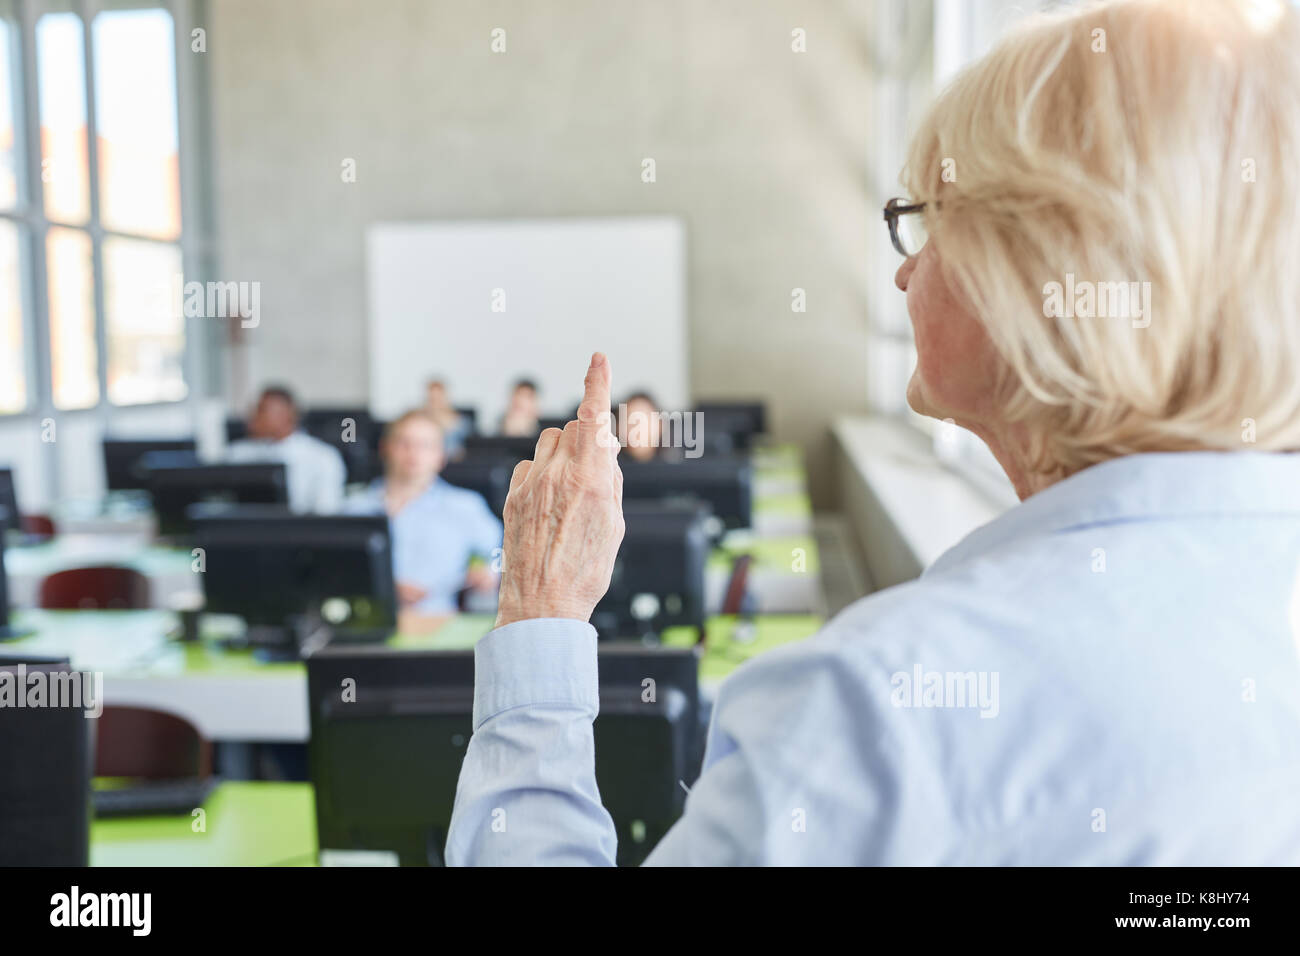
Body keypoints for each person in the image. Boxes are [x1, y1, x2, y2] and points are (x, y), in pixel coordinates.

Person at [446, 0, 1300, 865]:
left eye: (926, 220)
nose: (903, 268)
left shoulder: (874, 710)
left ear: (1030, 262)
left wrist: (541, 614)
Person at [348, 410, 501, 621]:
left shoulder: (465, 506)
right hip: (366, 622)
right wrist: (385, 587)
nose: (413, 453)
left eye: (425, 445)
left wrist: (487, 573)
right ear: (385, 448)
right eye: (404, 443)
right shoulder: (352, 508)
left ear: (441, 456)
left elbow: (503, 556)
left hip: (439, 624)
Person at [226, 385, 345, 513]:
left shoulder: (322, 457)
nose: (252, 417)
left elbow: (326, 513)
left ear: (287, 414)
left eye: (261, 410)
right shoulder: (237, 454)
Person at [424, 379, 472, 459]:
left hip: (454, 463)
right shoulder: (419, 422)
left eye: (438, 398)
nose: (436, 403)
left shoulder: (462, 422)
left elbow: (468, 448)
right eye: (432, 399)